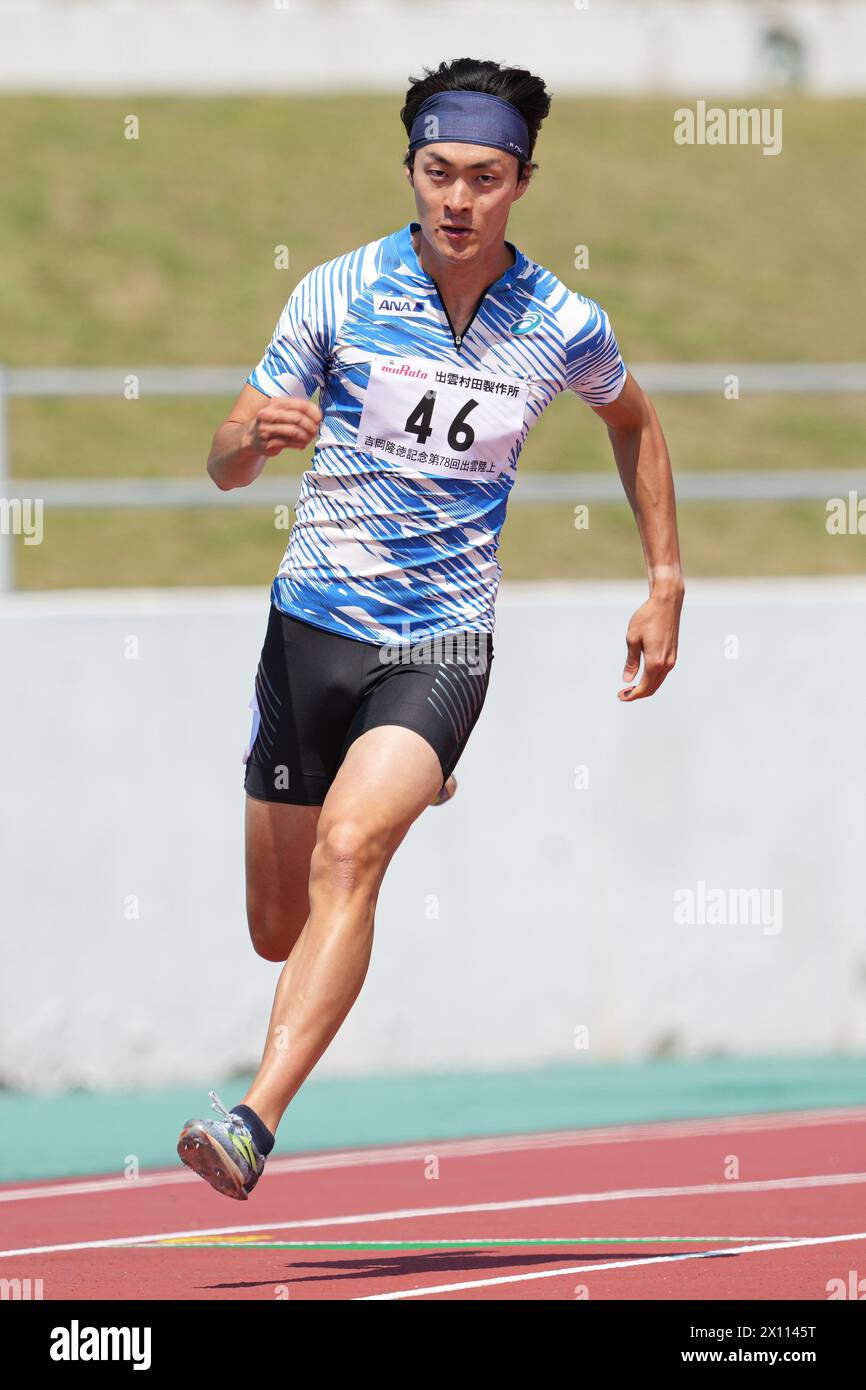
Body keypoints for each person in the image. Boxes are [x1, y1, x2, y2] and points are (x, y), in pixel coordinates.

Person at [177, 57, 684, 1200]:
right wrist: (254, 438)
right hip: (310, 630)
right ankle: (395, 767)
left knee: (353, 853)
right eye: (438, 171)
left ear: (521, 183)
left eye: (485, 177)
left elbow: (633, 419)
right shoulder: (334, 292)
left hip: (442, 639)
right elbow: (217, 463)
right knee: (277, 925)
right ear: (410, 170)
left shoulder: (560, 321)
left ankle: (252, 1120)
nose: (458, 198)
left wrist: (663, 575)